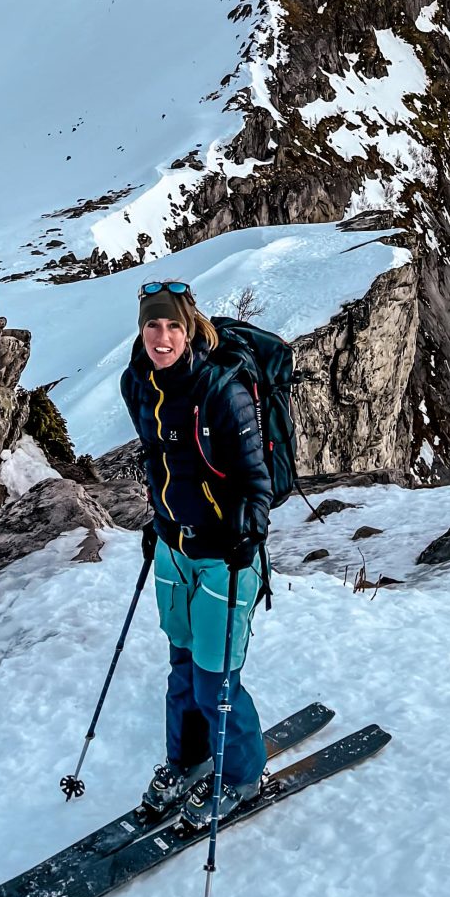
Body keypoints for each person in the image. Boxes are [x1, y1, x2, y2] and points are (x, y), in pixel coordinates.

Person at [119, 279, 273, 829]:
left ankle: (243, 775)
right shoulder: (138, 383)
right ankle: (185, 761)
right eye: (152, 325)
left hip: (223, 558)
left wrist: (247, 530)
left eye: (172, 326)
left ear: (189, 329)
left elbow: (258, 482)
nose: (162, 337)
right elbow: (159, 461)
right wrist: (158, 521)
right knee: (182, 668)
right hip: (172, 547)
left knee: (216, 677)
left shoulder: (222, 392)